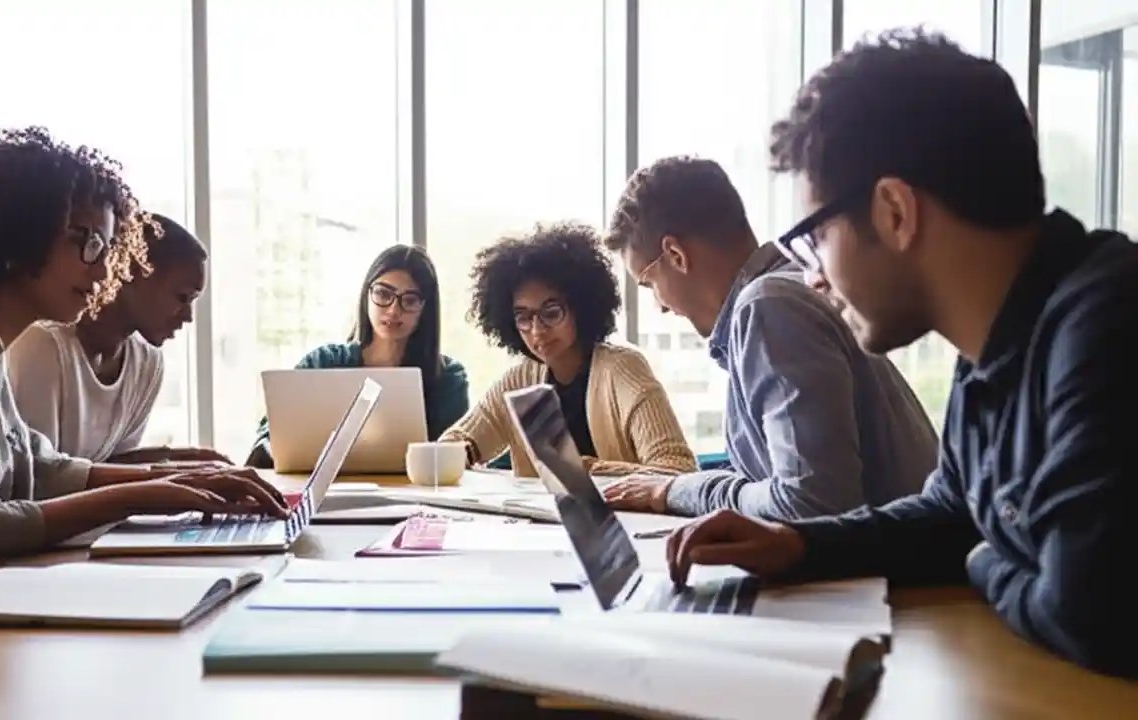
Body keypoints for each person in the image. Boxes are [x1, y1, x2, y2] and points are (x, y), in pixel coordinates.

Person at [665, 29, 1135, 679]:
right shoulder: (993, 351)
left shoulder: (1107, 326)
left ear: (894, 211)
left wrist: (982, 559)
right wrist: (799, 543)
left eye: (816, 236)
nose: (815, 277)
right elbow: (951, 513)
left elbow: (1088, 612)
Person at [0, 127, 290, 718]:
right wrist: (143, 495)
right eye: (84, 241)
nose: (102, 266)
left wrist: (174, 482)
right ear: (15, 231)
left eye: (106, 246)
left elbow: (35, 467)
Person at [601, 155, 938, 520]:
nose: (660, 306)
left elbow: (810, 503)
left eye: (649, 283)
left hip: (899, 574)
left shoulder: (769, 308)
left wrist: (676, 491)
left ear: (676, 254)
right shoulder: (788, 291)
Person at [440, 222, 696, 478]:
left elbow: (677, 470)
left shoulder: (622, 370)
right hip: (538, 519)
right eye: (523, 318)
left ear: (580, 307)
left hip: (628, 518)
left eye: (551, 313)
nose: (537, 331)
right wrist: (463, 452)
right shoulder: (519, 381)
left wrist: (589, 471)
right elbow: (456, 442)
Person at [7, 213, 227, 464]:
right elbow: (41, 478)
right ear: (132, 271)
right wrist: (169, 473)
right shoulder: (44, 344)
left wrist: (186, 462)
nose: (188, 316)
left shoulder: (147, 363)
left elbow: (112, 465)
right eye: (182, 297)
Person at [246, 245, 468, 467]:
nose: (393, 310)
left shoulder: (448, 378)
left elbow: (456, 456)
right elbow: (271, 432)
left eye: (409, 300)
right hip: (324, 492)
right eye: (383, 293)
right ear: (366, 294)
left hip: (417, 497)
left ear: (425, 308)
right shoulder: (323, 363)